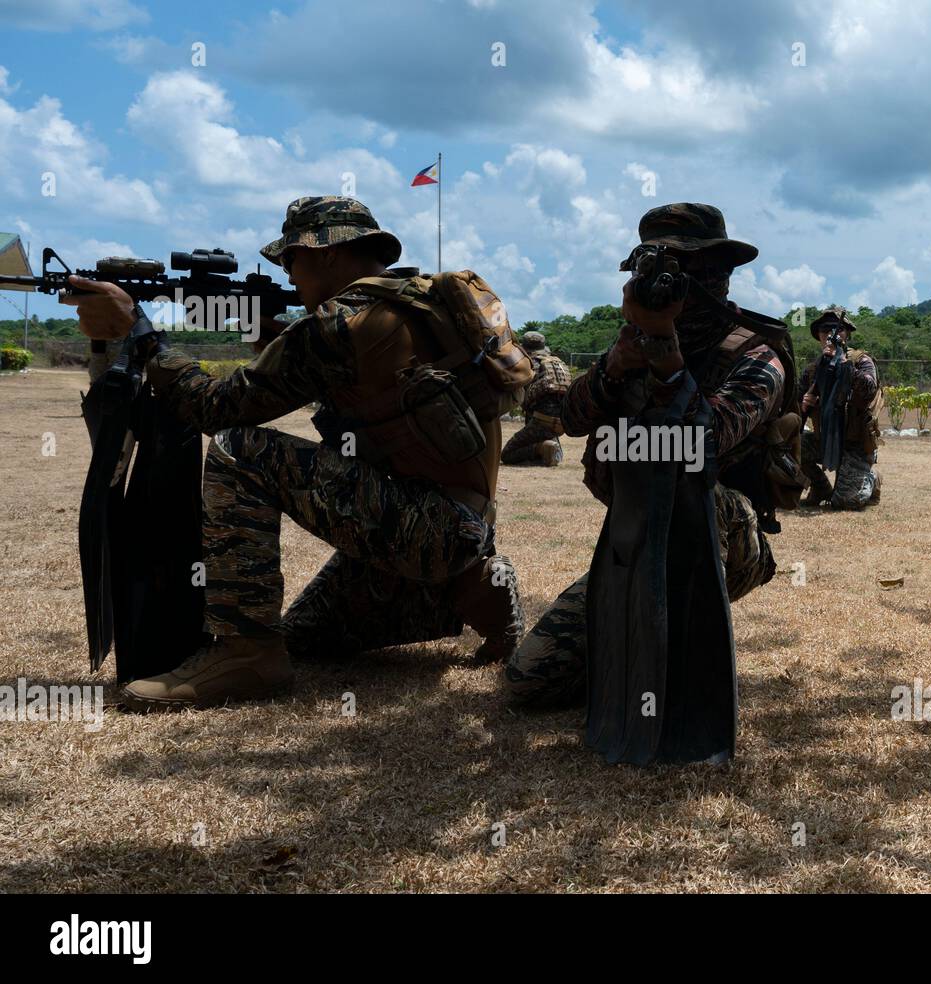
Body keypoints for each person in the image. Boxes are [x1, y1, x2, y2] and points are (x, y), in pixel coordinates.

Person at [65, 196, 525, 709]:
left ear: (326, 253)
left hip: (422, 530)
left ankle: (247, 652)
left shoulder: (335, 325)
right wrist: (263, 331)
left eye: (290, 260)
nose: (288, 275)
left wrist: (139, 335)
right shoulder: (418, 306)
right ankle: (479, 586)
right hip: (461, 526)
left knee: (238, 449)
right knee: (306, 636)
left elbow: (215, 408)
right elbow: (359, 385)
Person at [504, 203, 792, 712]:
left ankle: (670, 650)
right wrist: (615, 368)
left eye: (707, 270)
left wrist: (671, 365)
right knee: (531, 680)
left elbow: (706, 441)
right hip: (640, 545)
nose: (702, 283)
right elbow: (569, 419)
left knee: (700, 496)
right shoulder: (632, 345)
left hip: (725, 538)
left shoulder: (755, 353)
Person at [798, 308, 883, 509]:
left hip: (856, 444)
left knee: (845, 501)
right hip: (825, 438)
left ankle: (871, 479)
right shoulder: (812, 370)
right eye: (824, 330)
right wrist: (803, 404)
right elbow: (794, 409)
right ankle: (820, 487)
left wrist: (845, 366)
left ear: (846, 334)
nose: (830, 334)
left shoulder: (861, 361)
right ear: (818, 335)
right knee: (789, 446)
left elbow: (870, 389)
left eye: (837, 330)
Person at [500, 331, 570, 467]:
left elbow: (525, 401)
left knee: (507, 454)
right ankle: (549, 447)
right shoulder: (558, 363)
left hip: (541, 421)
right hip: (562, 423)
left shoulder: (529, 365)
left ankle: (541, 448)